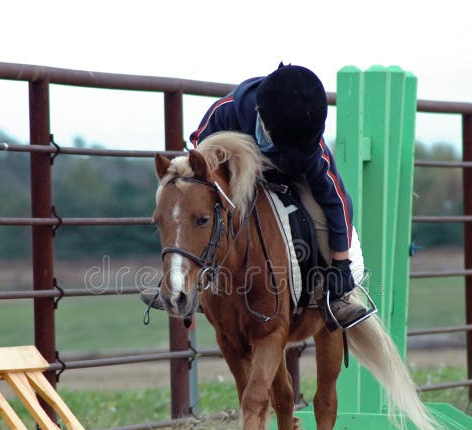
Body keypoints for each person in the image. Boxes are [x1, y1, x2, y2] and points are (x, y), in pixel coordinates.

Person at [149, 64, 370, 328]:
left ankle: (336, 297)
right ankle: (184, 283)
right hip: (235, 180)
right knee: (196, 218)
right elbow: (200, 146)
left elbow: (336, 200)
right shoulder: (226, 112)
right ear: (260, 116)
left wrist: (342, 265)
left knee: (320, 218)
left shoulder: (310, 147)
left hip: (293, 177)